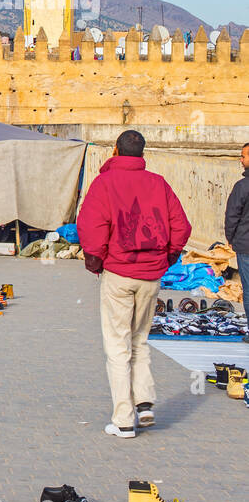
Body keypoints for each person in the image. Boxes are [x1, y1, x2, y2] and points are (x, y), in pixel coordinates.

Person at [77, 130, 191, 440]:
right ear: (142, 154)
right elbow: (181, 226)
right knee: (139, 340)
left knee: (118, 346)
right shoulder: (158, 183)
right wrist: (166, 257)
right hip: (151, 275)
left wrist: (95, 261)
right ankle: (145, 403)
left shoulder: (105, 183)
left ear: (115, 150)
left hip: (119, 272)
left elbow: (91, 226)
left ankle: (124, 418)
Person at [223, 142, 249, 319]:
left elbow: (232, 215)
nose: (241, 160)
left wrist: (231, 238)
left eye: (244, 156)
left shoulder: (242, 186)